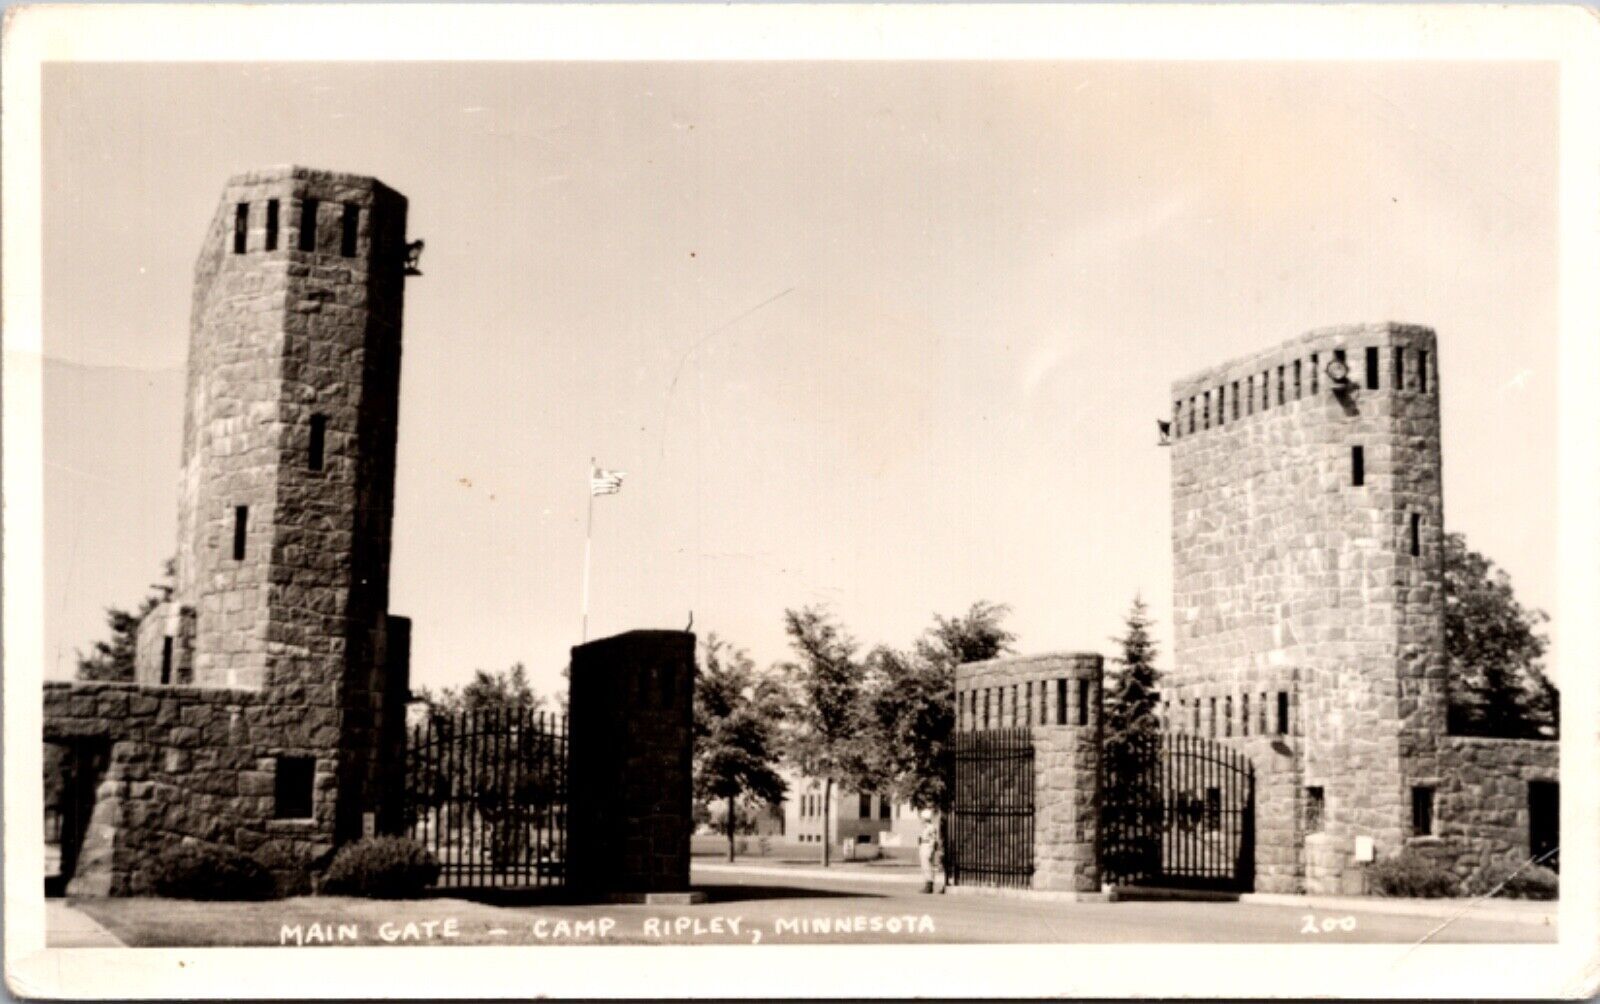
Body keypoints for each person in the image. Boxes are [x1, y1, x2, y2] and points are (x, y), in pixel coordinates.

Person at [916, 808, 944, 894]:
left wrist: (931, 849)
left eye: (923, 817)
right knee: (925, 866)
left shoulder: (930, 827)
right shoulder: (925, 827)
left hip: (927, 846)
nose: (922, 819)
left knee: (927, 866)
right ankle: (927, 883)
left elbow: (932, 839)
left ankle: (929, 884)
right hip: (924, 845)